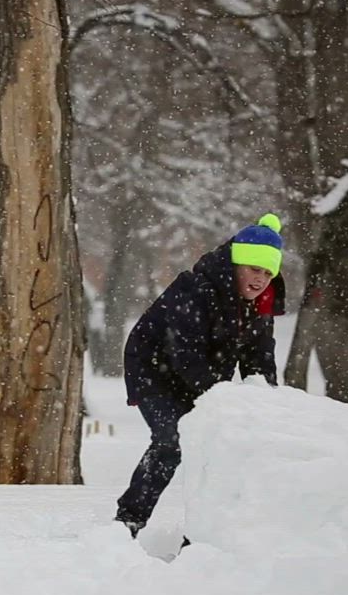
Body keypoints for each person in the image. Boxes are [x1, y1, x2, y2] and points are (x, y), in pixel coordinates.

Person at [115, 213, 286, 538]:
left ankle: (207, 537)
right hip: (154, 370)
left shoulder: (259, 305)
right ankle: (128, 521)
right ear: (236, 264)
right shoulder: (195, 290)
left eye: (267, 272)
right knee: (172, 442)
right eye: (254, 269)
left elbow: (259, 356)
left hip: (202, 380)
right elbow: (184, 353)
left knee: (220, 445)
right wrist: (218, 396)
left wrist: (264, 400)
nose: (261, 279)